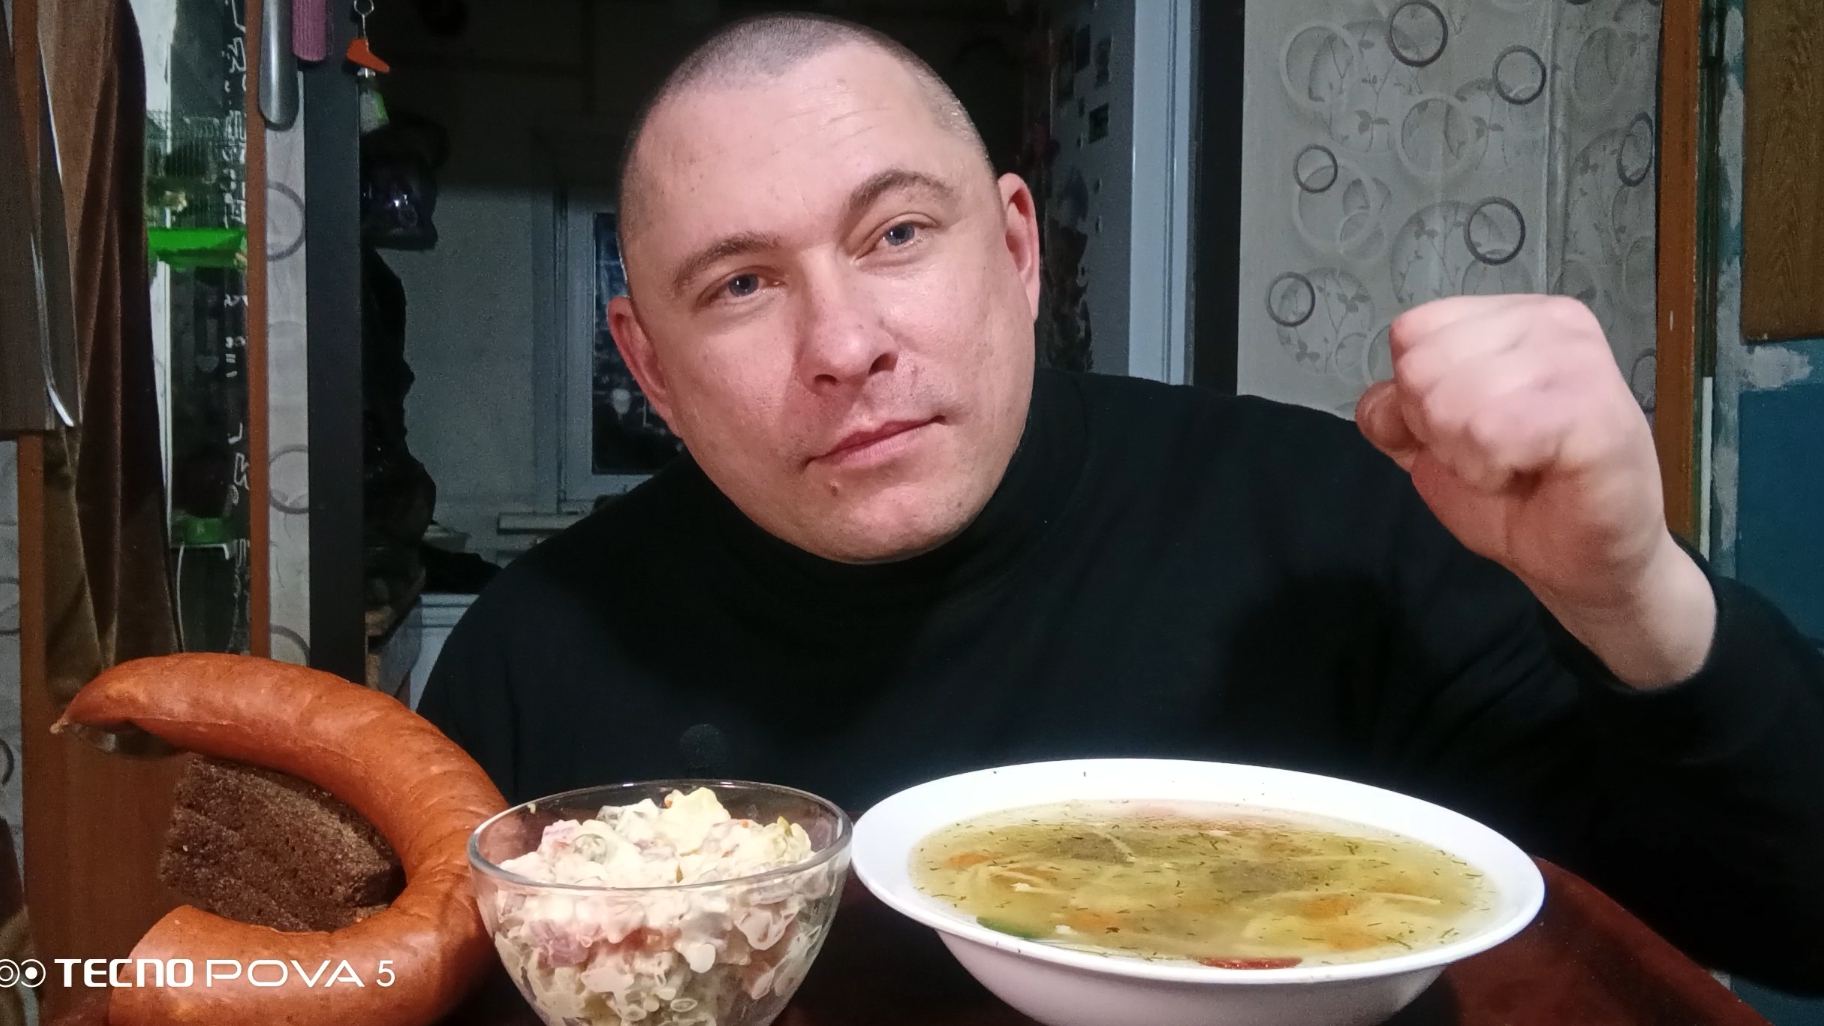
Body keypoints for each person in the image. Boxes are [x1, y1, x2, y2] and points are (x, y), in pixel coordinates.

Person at [419, 14, 1824, 988]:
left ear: (1018, 250)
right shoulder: (530, 665)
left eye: (897, 233)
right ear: (648, 366)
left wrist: (1635, 596)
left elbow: (1795, 925)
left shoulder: (1336, 531)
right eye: (740, 284)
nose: (843, 344)